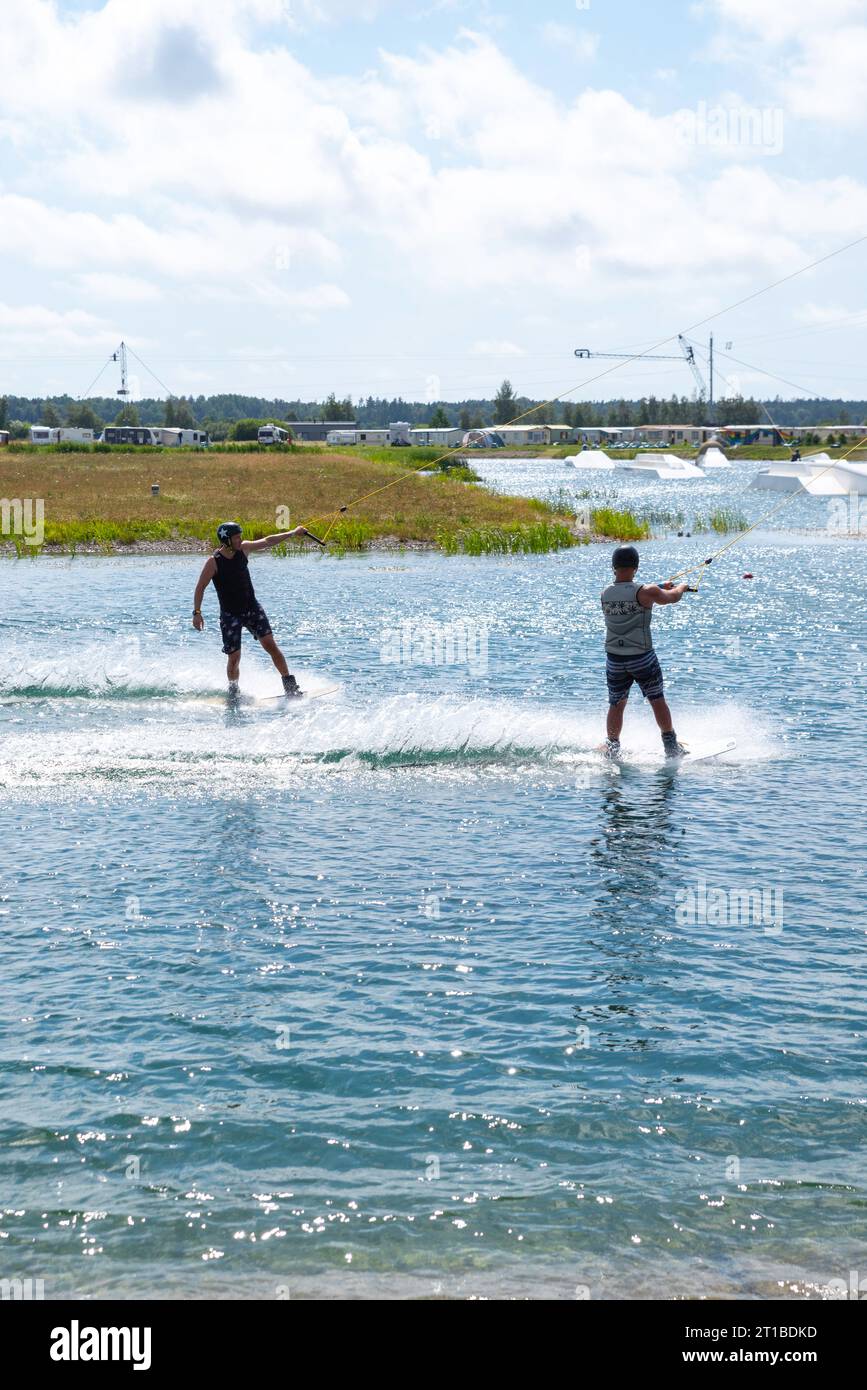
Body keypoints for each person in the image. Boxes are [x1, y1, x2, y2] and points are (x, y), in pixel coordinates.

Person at [192, 521, 324, 699]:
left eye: (240, 536)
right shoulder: (213, 562)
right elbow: (200, 587)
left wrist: (292, 532)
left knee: (271, 645)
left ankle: (290, 686)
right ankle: (233, 692)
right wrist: (197, 613)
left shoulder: (244, 549)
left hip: (252, 608)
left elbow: (268, 541)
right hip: (230, 615)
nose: (240, 539)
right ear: (227, 540)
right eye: (236, 537)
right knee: (234, 658)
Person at [600, 545, 690, 759]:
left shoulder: (605, 593)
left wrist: (659, 586)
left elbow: (631, 593)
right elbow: (671, 598)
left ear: (614, 568)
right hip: (641, 657)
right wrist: (682, 587)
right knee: (656, 699)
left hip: (614, 659)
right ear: (636, 567)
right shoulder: (648, 592)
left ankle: (613, 748)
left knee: (616, 703)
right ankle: (670, 746)